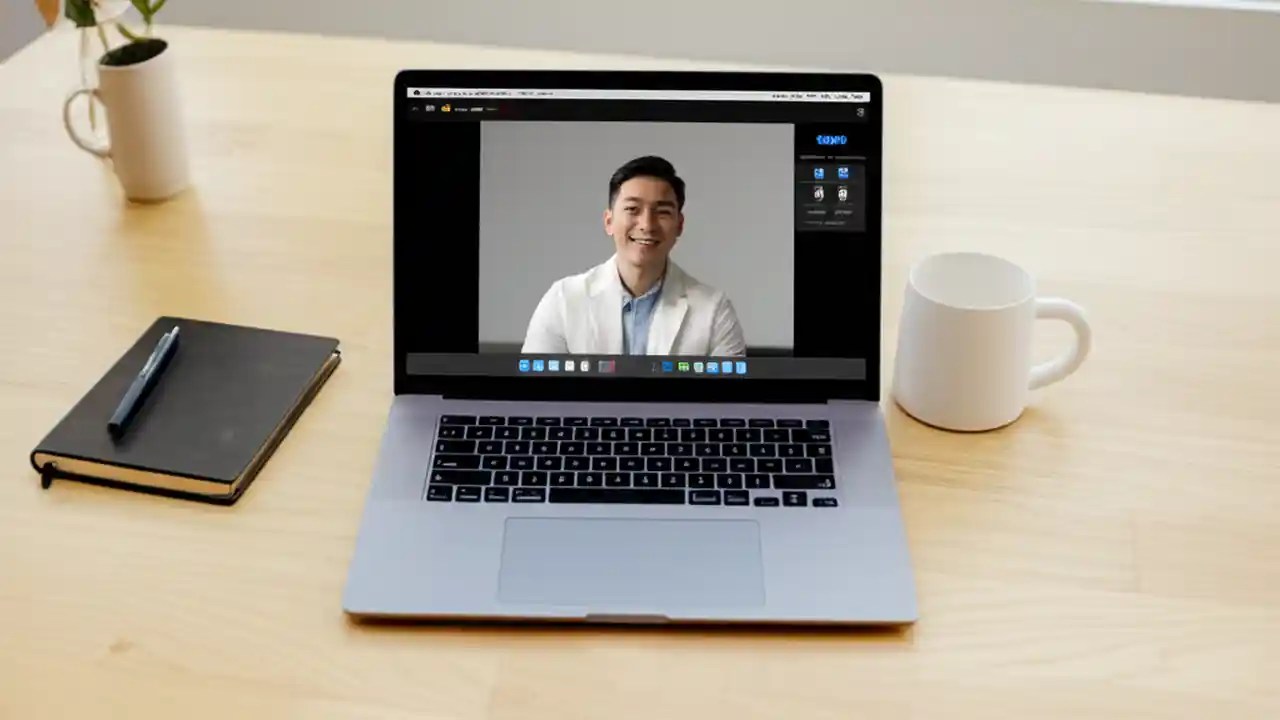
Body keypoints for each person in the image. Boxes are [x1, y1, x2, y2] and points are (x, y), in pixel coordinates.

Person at [521, 155, 746, 357]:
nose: (647, 225)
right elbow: (534, 386)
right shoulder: (563, 300)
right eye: (632, 209)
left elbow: (730, 389)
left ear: (679, 225)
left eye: (662, 212)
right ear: (609, 221)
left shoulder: (714, 310)